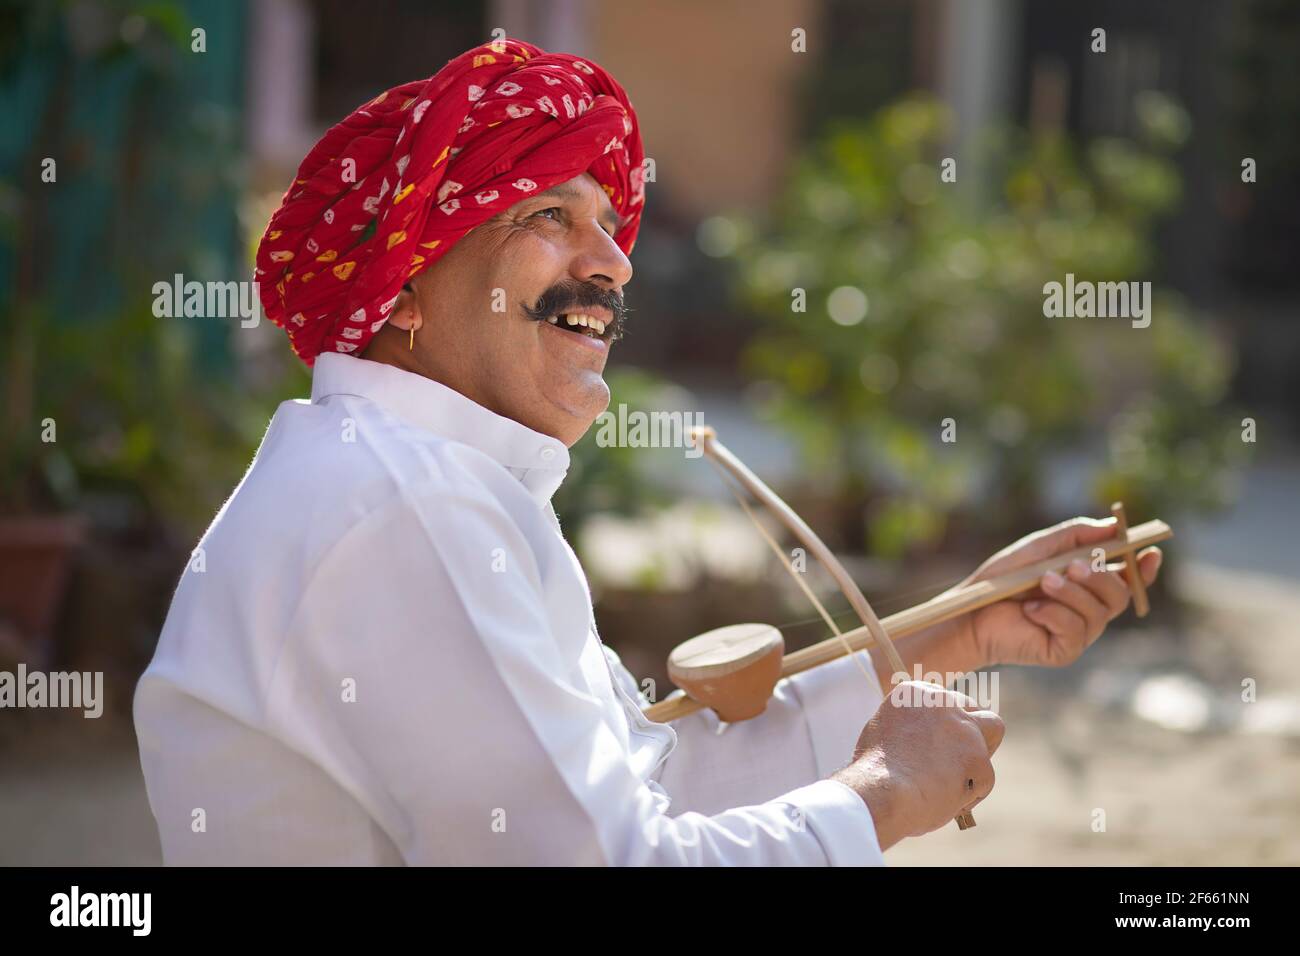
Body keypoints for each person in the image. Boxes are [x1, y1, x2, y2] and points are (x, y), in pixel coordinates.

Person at [133, 37, 1161, 865]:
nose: (614, 259)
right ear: (401, 287)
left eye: (608, 220)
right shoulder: (401, 505)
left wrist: (962, 630)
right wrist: (883, 792)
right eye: (549, 214)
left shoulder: (410, 478)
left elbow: (644, 788)